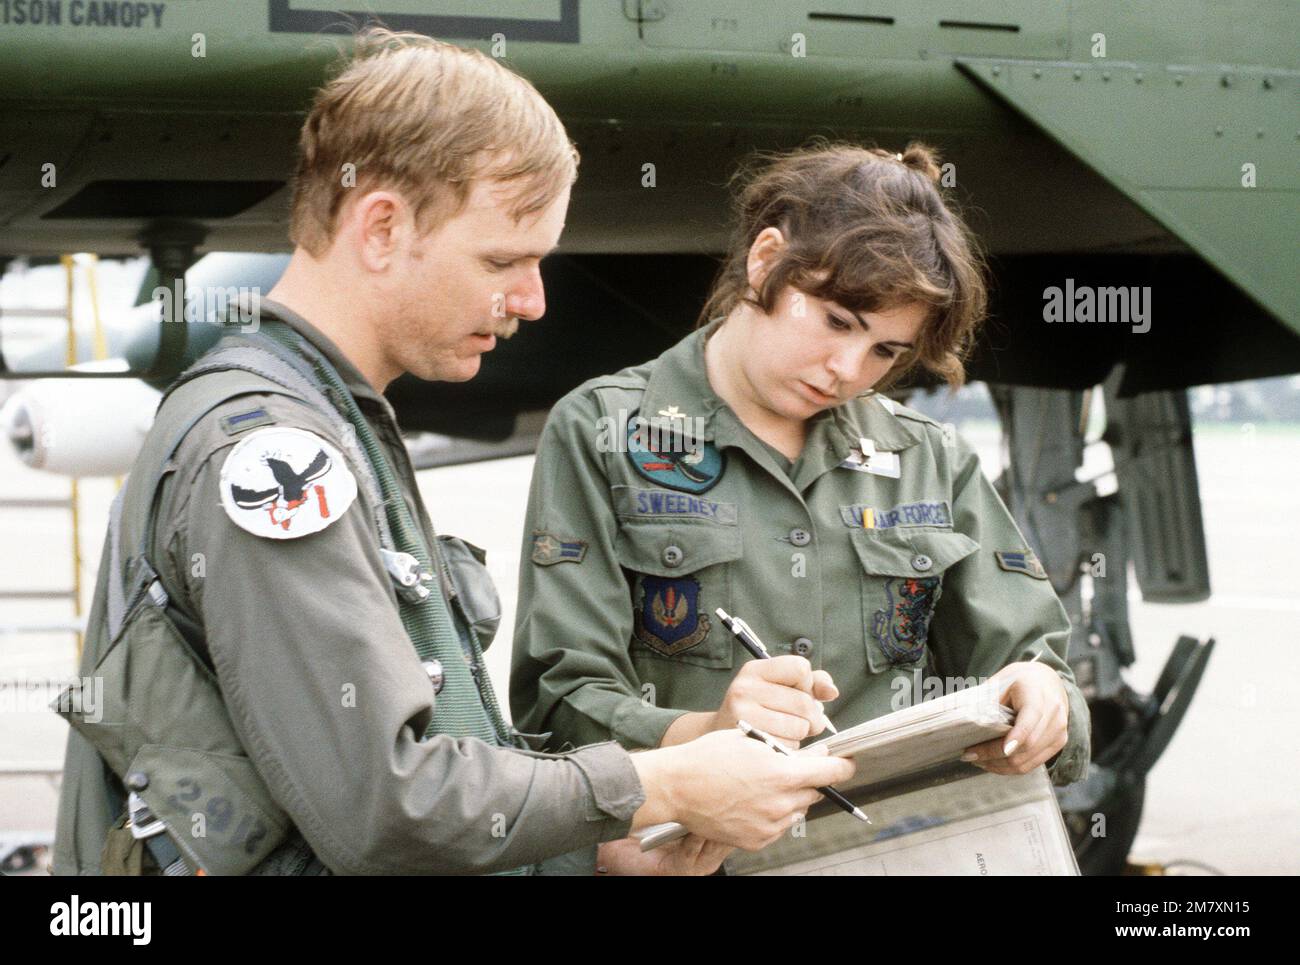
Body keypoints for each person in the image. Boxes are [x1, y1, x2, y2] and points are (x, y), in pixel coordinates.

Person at [50, 30, 855, 877]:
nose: (533, 299)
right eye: (504, 259)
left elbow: (417, 776)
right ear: (383, 227)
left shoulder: (336, 420)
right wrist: (661, 783)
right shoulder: (270, 450)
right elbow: (386, 808)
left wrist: (599, 854)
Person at [510, 142, 1091, 795]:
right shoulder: (603, 434)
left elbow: (1035, 664)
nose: (848, 369)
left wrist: (1044, 697)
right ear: (765, 262)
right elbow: (557, 708)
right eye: (836, 321)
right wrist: (708, 731)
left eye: (885, 351)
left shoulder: (929, 459)